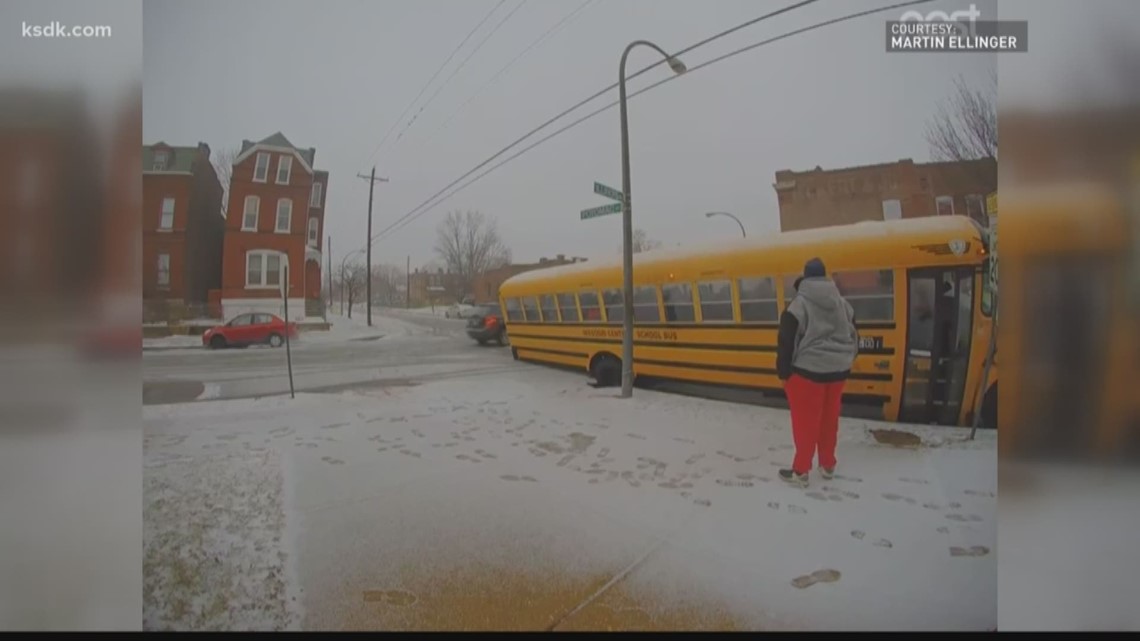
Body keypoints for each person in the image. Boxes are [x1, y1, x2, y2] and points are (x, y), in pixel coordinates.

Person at [776, 258, 858, 488]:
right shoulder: (843, 303)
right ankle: (828, 464)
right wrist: (847, 359)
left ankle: (801, 472)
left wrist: (784, 374)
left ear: (805, 277)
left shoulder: (798, 305)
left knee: (806, 423)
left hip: (807, 373)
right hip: (838, 371)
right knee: (829, 419)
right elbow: (854, 334)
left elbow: (786, 342)